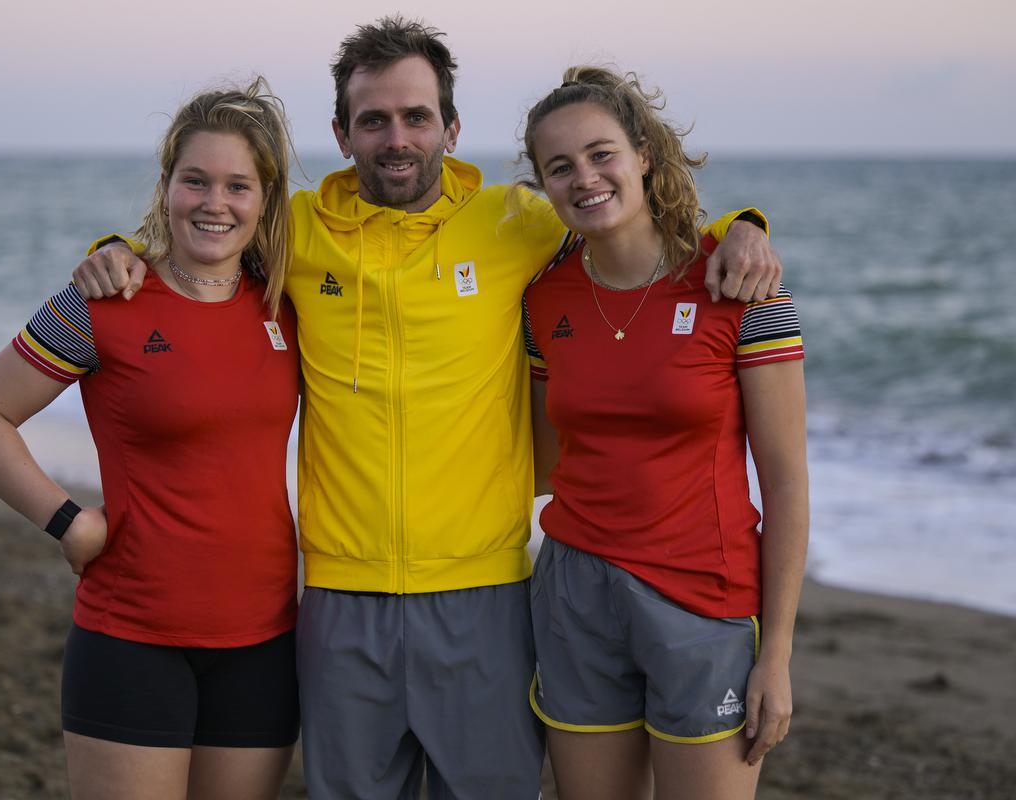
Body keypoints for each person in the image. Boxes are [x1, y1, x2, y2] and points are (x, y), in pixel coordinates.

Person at [72, 18, 783, 800]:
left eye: (416, 117)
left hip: (485, 594)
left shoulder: (521, 221)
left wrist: (738, 228)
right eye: (373, 120)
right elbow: (200, 238)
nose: (397, 138)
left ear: (451, 127)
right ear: (343, 134)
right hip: (341, 599)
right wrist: (119, 250)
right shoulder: (297, 232)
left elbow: (630, 227)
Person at [0, 79, 301, 800]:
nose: (215, 202)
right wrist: (66, 521)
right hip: (132, 637)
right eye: (195, 180)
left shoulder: (288, 303)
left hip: (265, 638)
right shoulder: (102, 300)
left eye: (239, 185)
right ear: (166, 184)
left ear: (266, 198)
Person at [520, 66, 808, 800]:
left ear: (643, 153)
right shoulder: (542, 298)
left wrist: (774, 656)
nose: (584, 178)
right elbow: (548, 464)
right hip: (575, 595)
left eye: (601, 153)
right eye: (560, 167)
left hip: (704, 602)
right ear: (542, 184)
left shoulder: (740, 284)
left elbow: (785, 484)